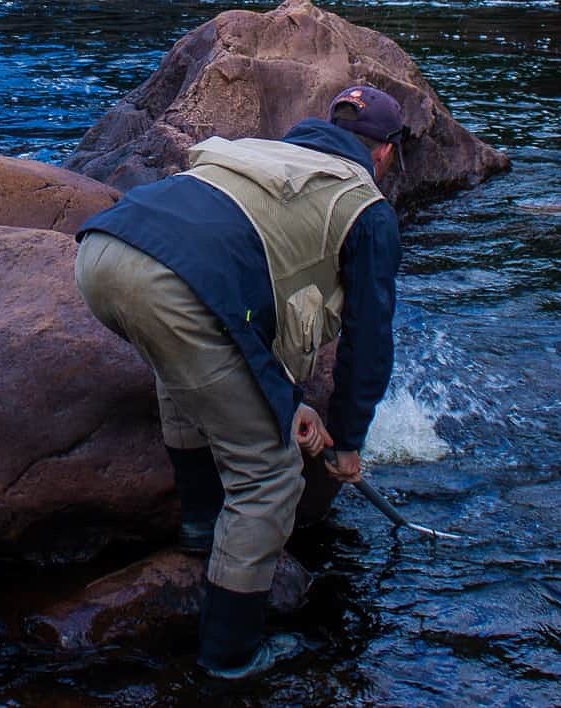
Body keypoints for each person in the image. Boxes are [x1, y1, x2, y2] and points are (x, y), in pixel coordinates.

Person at [73, 83, 407, 680]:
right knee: (269, 477)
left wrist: (290, 401)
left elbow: (249, 300)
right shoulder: (366, 209)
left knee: (186, 377)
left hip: (101, 251)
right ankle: (230, 658)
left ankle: (202, 532)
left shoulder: (266, 153)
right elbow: (368, 340)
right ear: (383, 153)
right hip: (175, 284)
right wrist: (350, 442)